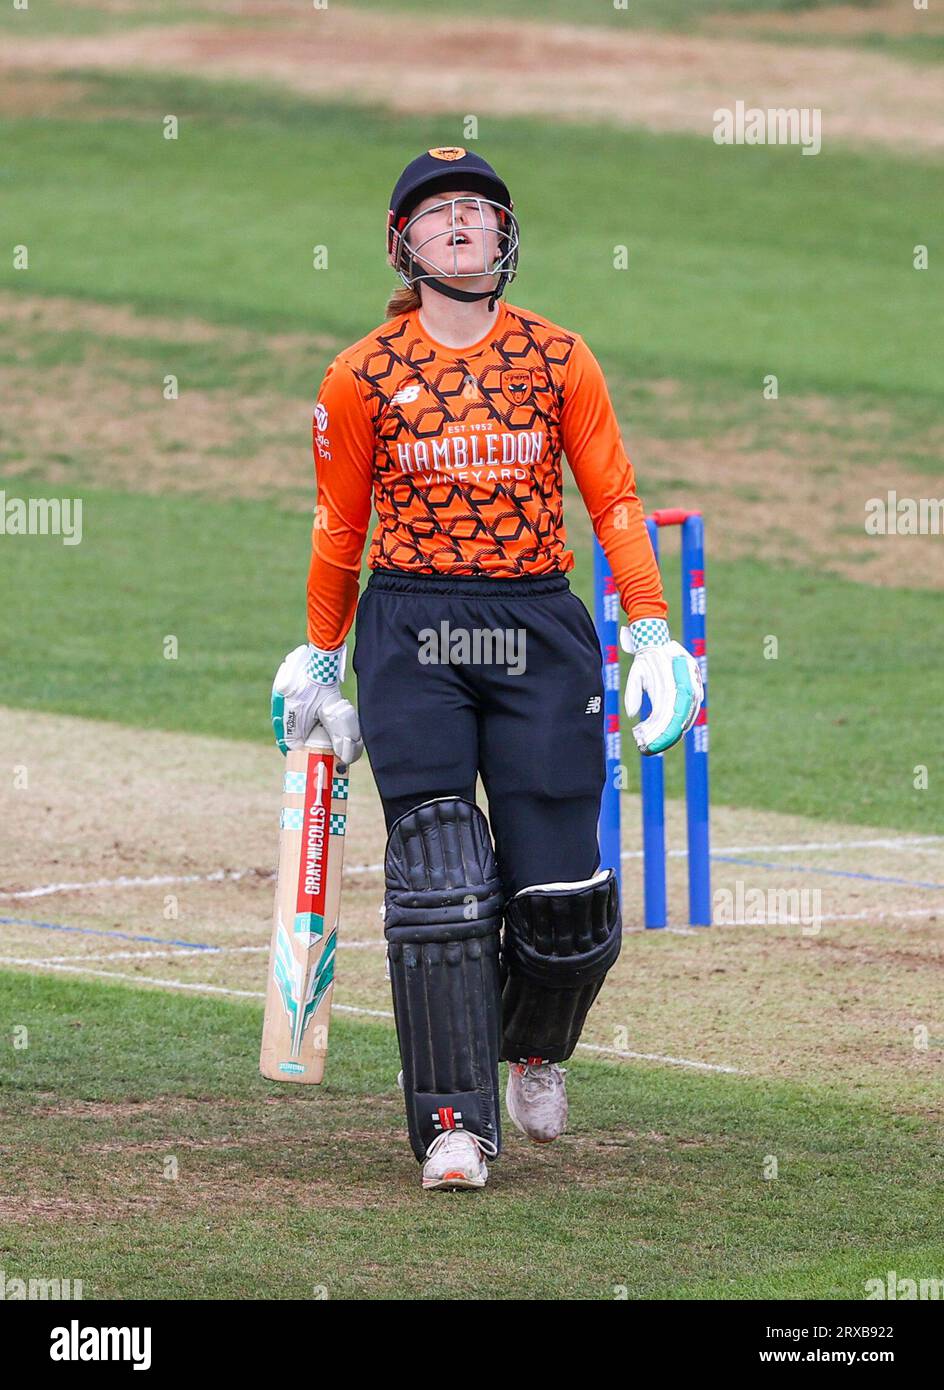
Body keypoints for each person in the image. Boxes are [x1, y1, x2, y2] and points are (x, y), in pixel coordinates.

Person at [272, 147, 703, 1192]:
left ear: (504, 236)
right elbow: (341, 524)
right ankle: (451, 1125)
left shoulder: (558, 357)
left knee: (561, 898)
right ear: (402, 243)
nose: (461, 224)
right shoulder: (360, 372)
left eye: (478, 209)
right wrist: (322, 658)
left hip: (533, 629)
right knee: (440, 885)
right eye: (439, 213)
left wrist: (649, 631)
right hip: (413, 629)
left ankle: (532, 1047)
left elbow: (612, 500)